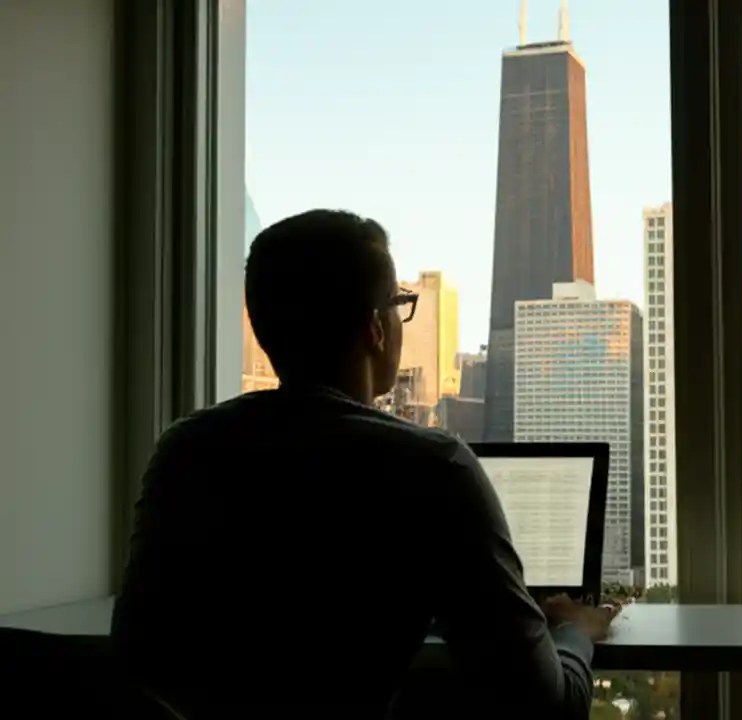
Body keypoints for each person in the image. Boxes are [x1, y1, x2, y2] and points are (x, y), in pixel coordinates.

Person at [111, 209, 616, 719]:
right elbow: (544, 705)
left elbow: (137, 656)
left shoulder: (185, 451)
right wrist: (576, 629)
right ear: (377, 329)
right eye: (399, 305)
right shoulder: (433, 467)